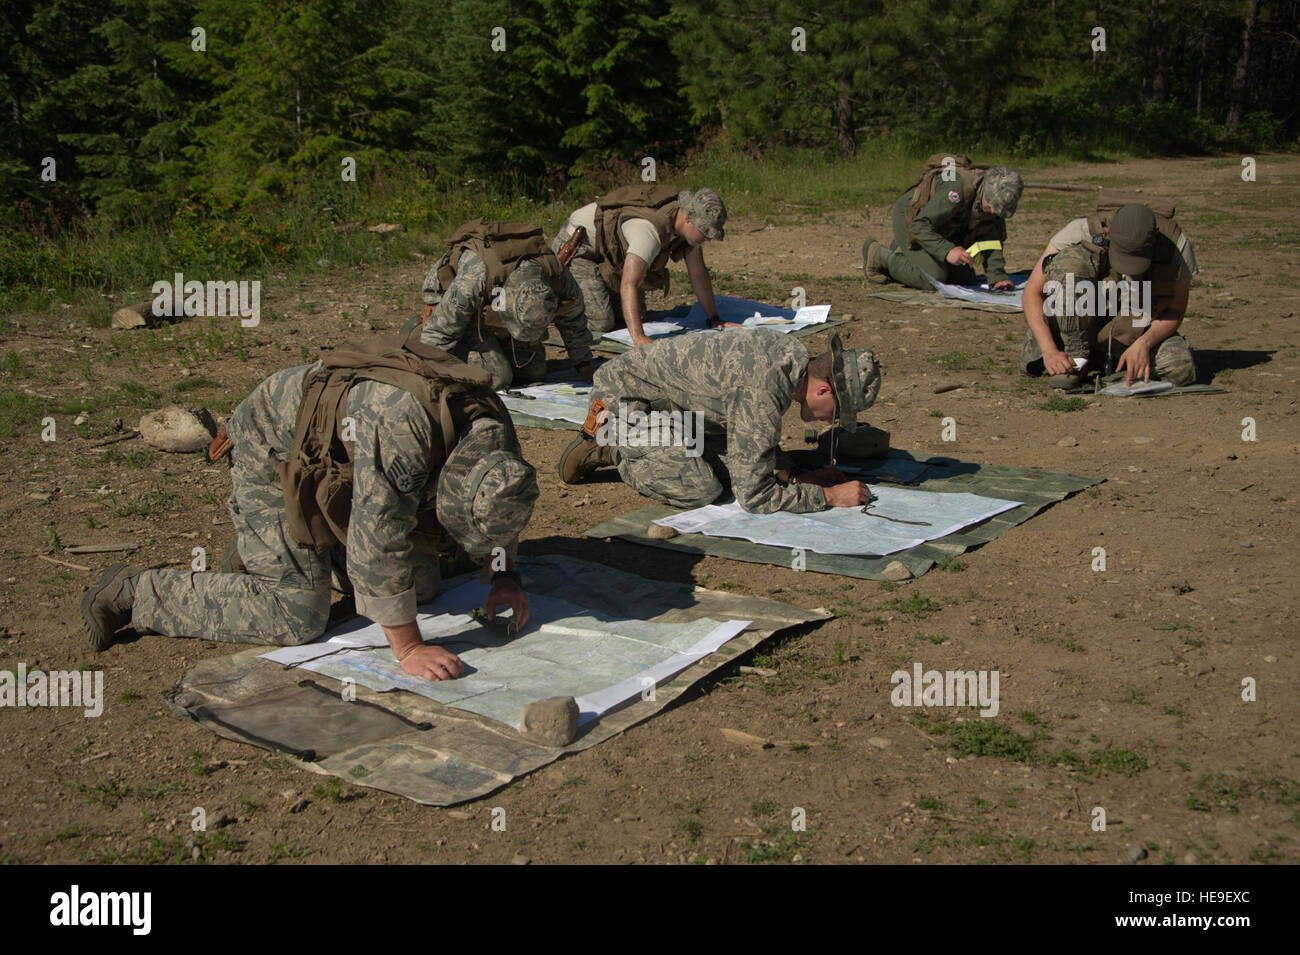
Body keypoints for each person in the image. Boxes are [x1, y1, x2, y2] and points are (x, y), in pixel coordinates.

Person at [80, 333, 539, 684]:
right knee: (298, 614)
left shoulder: (491, 430)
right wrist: (410, 649)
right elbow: (375, 541)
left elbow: (499, 507)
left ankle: (273, 554)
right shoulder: (404, 435)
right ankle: (135, 592)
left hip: (345, 457)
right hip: (271, 449)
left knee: (420, 587)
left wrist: (504, 575)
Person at [558, 329, 881, 512]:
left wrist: (794, 475)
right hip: (624, 401)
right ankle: (612, 447)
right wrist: (828, 497)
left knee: (731, 468)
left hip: (680, 410)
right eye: (837, 414)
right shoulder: (765, 386)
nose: (832, 422)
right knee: (702, 487)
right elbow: (756, 497)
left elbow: (749, 433)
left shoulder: (789, 359)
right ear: (824, 389)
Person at [1019, 190, 1198, 388]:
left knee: (1180, 366)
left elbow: (1175, 310)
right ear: (1108, 233)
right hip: (1080, 327)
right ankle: (1075, 357)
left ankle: (1115, 368)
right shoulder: (1080, 231)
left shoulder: (1176, 245)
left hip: (1132, 333)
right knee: (1070, 264)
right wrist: (1049, 350)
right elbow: (1032, 292)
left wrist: (1144, 344)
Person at [416, 219, 594, 388]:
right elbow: (439, 333)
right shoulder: (477, 278)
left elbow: (574, 319)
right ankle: (414, 332)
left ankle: (498, 347)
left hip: (490, 313)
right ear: (506, 303)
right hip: (460, 314)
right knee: (497, 377)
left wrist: (583, 362)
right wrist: (431, 376)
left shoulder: (556, 275)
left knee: (534, 373)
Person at [552, 185, 727, 347]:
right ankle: (559, 308)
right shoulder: (648, 231)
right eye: (705, 232)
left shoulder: (688, 231)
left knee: (635, 316)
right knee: (602, 322)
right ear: (689, 219)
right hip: (579, 248)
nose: (707, 238)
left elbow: (698, 273)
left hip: (611, 253)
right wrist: (638, 337)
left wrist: (714, 319)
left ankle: (596, 291)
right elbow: (629, 284)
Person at [863, 156, 1023, 292]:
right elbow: (919, 226)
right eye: (992, 206)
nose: (994, 212)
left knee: (965, 278)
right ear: (985, 190)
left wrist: (998, 278)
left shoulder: (992, 206)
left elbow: (991, 241)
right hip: (911, 219)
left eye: (999, 209)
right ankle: (880, 256)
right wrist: (948, 251)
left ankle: (905, 250)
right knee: (934, 277)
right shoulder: (957, 192)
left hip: (938, 228)